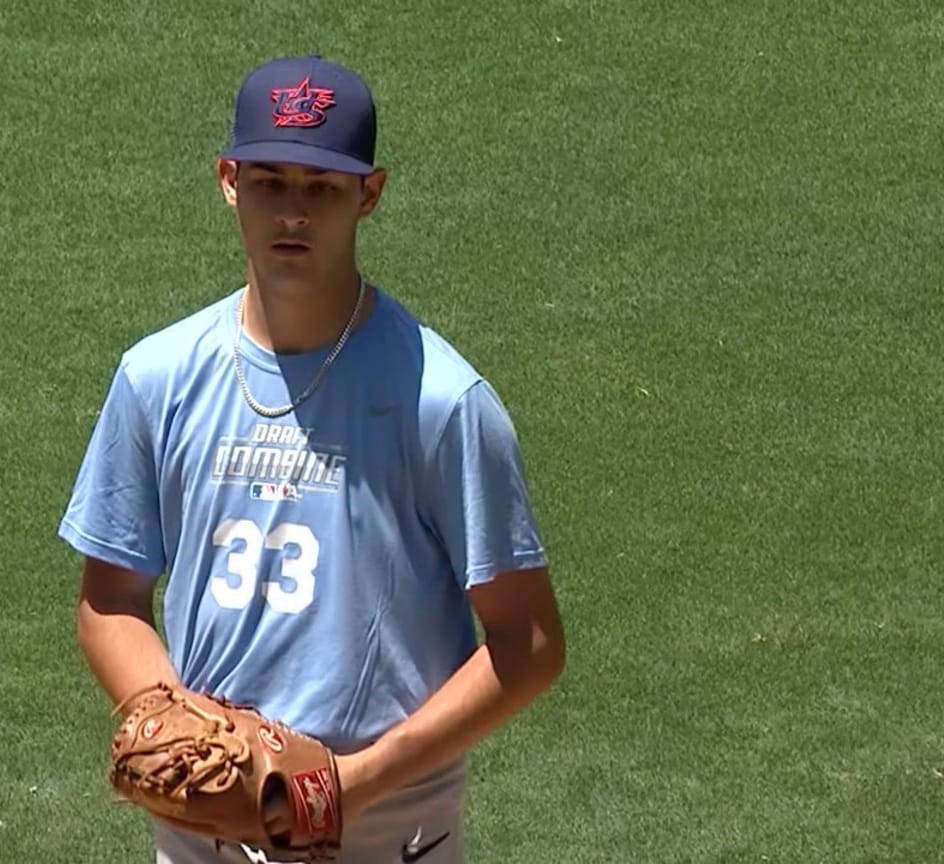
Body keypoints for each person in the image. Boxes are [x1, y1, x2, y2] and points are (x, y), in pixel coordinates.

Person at [58, 54, 565, 864]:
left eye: (323, 188)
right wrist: (184, 732)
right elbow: (110, 601)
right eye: (270, 182)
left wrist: (345, 785)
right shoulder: (157, 378)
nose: (293, 212)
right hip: (206, 829)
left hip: (385, 829)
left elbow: (529, 642)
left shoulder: (440, 399)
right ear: (228, 181)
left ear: (369, 193)